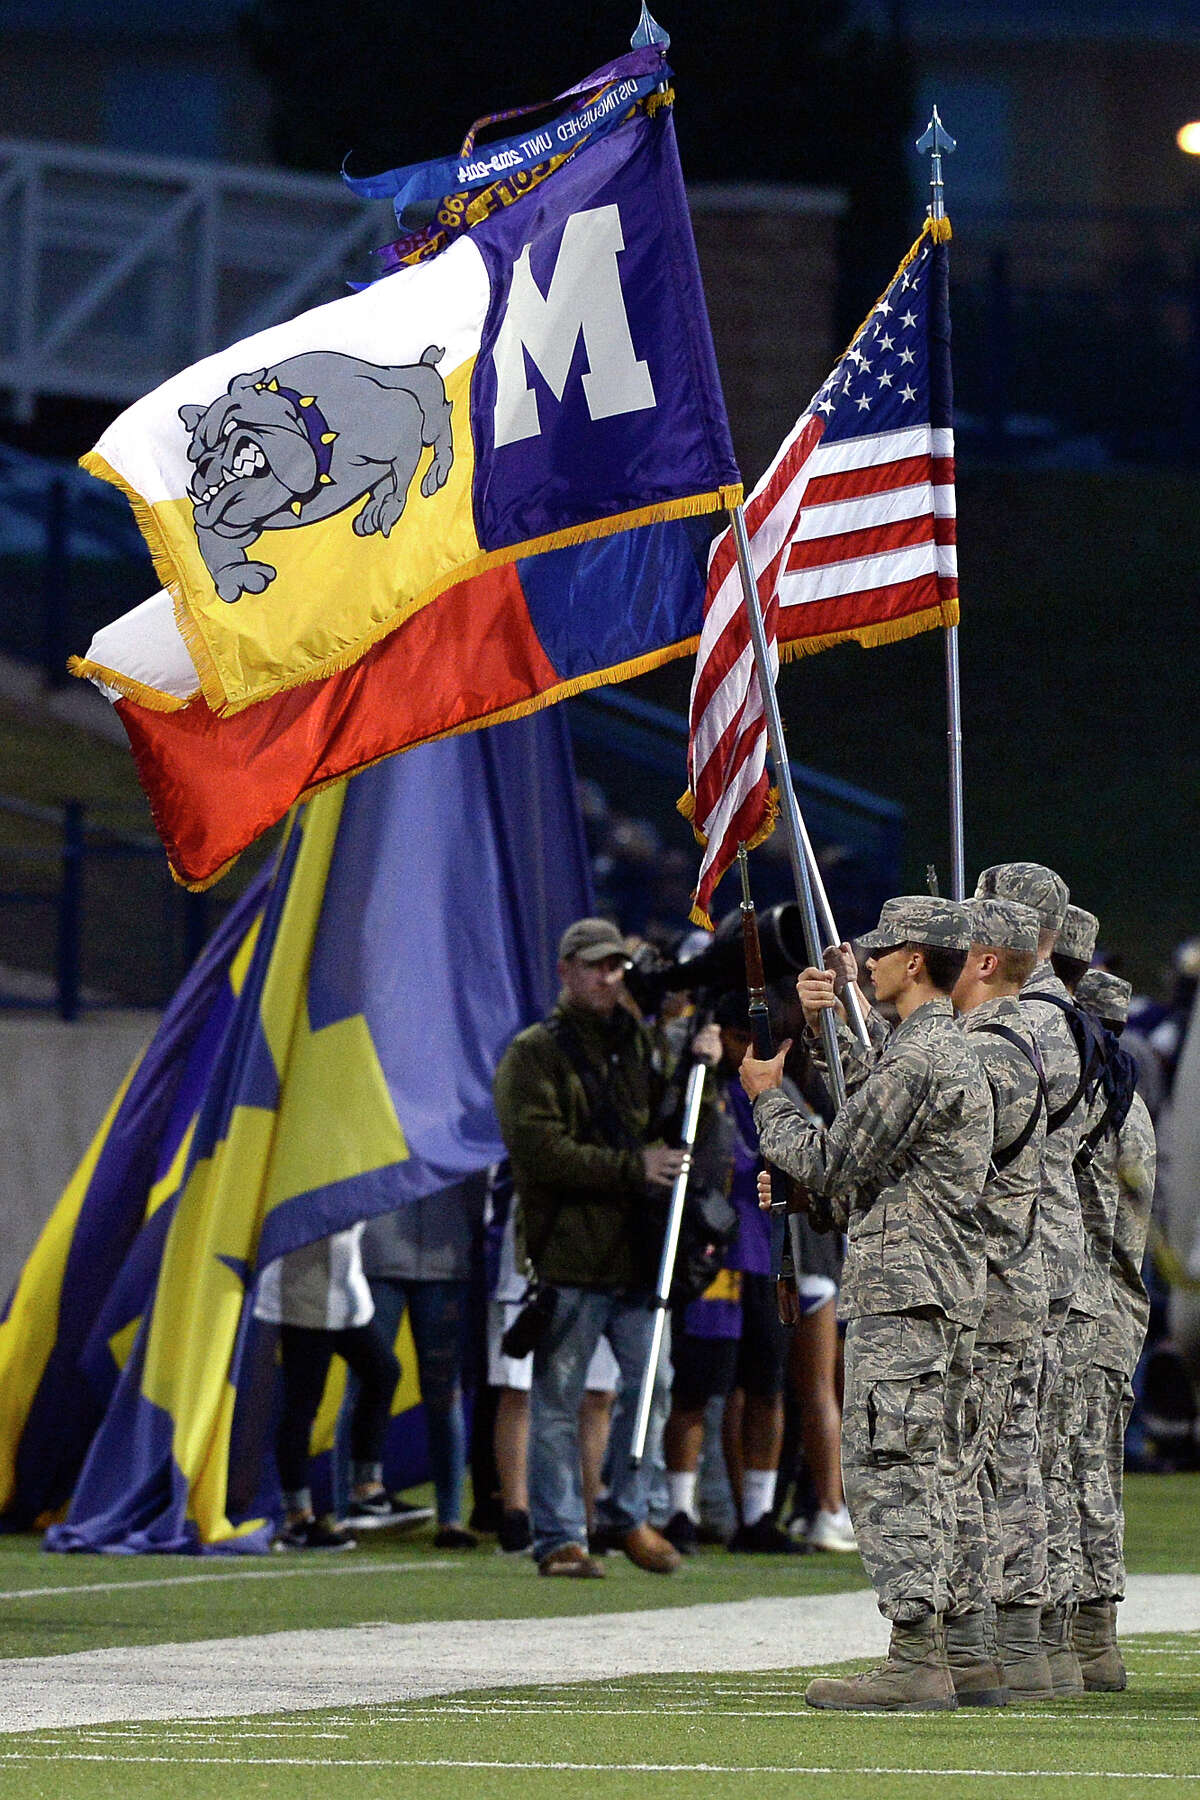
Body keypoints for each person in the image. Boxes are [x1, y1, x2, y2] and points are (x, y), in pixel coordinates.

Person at [740, 896, 992, 1712]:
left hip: (906, 1286)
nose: (866, 963)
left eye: (880, 952)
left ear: (914, 960)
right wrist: (826, 1024)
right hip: (943, 1287)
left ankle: (915, 1658)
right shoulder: (937, 1049)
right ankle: (955, 1653)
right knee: (940, 1469)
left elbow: (837, 1157)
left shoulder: (925, 1057)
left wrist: (767, 1099)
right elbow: (877, 1100)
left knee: (892, 1472)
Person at [492, 916, 716, 1579]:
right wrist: (631, 1168)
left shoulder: (642, 1045)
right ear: (565, 971)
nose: (607, 977)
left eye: (615, 967)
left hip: (639, 1252)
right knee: (558, 1401)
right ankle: (560, 1535)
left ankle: (627, 1511)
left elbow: (670, 1130)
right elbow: (537, 1149)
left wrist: (697, 1062)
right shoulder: (533, 1052)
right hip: (567, 1252)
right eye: (593, 966)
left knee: (655, 1386)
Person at [975, 861, 1092, 1692]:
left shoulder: (1030, 1023)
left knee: (999, 1455)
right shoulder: (1061, 1016)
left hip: (1008, 1253)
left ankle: (1011, 1639)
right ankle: (1036, 1641)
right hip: (1042, 1252)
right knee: (1025, 1452)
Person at [947, 897, 1052, 1702]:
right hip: (1021, 1282)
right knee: (1006, 1468)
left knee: (964, 1471)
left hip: (981, 1284)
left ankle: (974, 1649)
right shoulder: (1039, 1036)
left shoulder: (990, 1047)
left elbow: (931, 1161)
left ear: (985, 961)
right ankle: (1020, 1652)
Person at [662, 993, 799, 1556]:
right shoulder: (699, 1088)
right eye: (737, 1034)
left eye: (752, 1035)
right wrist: (693, 1062)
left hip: (766, 1258)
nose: (746, 1046)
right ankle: (679, 1510)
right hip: (712, 1259)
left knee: (766, 1387)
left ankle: (759, 1514)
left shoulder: (773, 1091)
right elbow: (669, 1128)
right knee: (697, 1388)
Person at [1073, 968, 1157, 1690]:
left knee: (1056, 1477)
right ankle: (1095, 1639)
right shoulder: (1132, 1106)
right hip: (1119, 1310)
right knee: (1095, 1478)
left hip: (1083, 1307)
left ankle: (1075, 1638)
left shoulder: (1096, 1101)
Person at [334, 1176, 484, 1545]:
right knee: (364, 1383)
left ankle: (451, 1519)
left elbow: (476, 1174)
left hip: (445, 1256)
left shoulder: (458, 1114)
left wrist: (470, 1231)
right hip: (380, 1255)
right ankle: (345, 1512)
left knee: (443, 1392)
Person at [252, 1224, 400, 1550]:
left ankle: (366, 1488)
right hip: (302, 1289)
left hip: (342, 1285)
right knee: (302, 1405)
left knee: (383, 1372)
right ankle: (298, 1519)